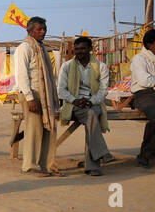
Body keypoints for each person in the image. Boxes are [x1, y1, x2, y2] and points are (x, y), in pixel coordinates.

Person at [57, 36, 114, 176]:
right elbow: (61, 90)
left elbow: (103, 91)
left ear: (90, 49)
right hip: (73, 104)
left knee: (91, 117)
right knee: (91, 116)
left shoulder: (101, 67)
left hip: (93, 102)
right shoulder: (67, 66)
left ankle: (93, 165)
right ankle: (99, 158)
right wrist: (75, 100)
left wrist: (91, 101)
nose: (79, 51)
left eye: (83, 48)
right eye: (76, 49)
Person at [13, 16, 61, 175]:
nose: (43, 32)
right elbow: (21, 75)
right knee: (34, 131)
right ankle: (30, 166)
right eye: (39, 29)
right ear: (30, 30)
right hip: (32, 94)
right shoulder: (24, 48)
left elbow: (49, 75)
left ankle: (47, 165)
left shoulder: (42, 48)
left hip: (45, 96)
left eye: (44, 29)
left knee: (49, 131)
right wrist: (29, 97)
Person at [128, 27, 155, 168]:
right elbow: (145, 81)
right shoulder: (139, 59)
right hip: (145, 94)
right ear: (150, 45)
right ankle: (145, 155)